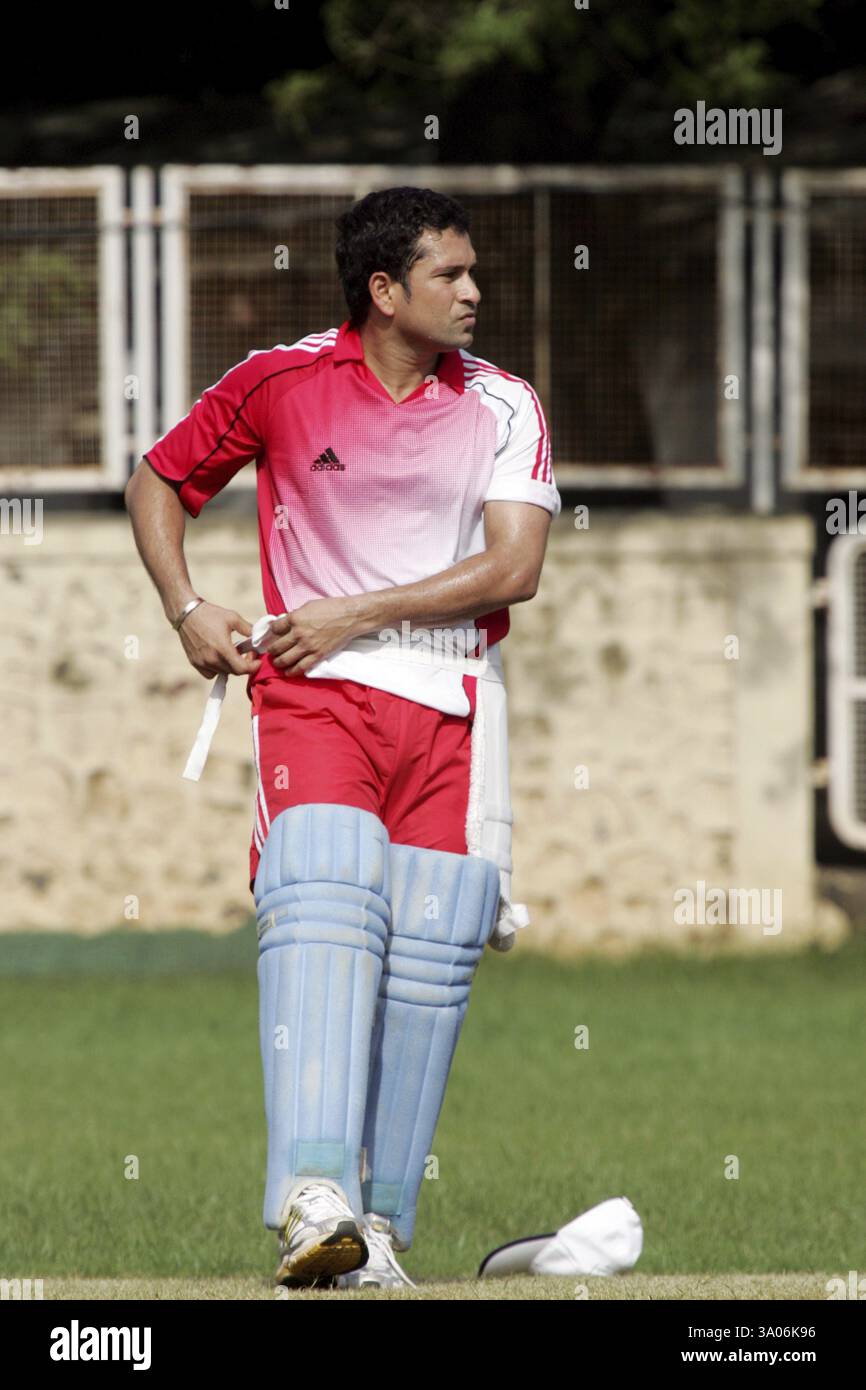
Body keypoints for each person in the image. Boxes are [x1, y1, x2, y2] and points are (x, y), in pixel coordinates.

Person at [124, 185, 561, 1289]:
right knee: (323, 897)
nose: (473, 291)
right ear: (382, 288)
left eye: (472, 272)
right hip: (315, 695)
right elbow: (161, 478)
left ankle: (371, 1232)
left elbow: (513, 568)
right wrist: (189, 609)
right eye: (448, 274)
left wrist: (354, 610)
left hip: (455, 704)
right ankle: (311, 1195)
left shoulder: (503, 403)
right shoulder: (280, 382)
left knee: (429, 954)